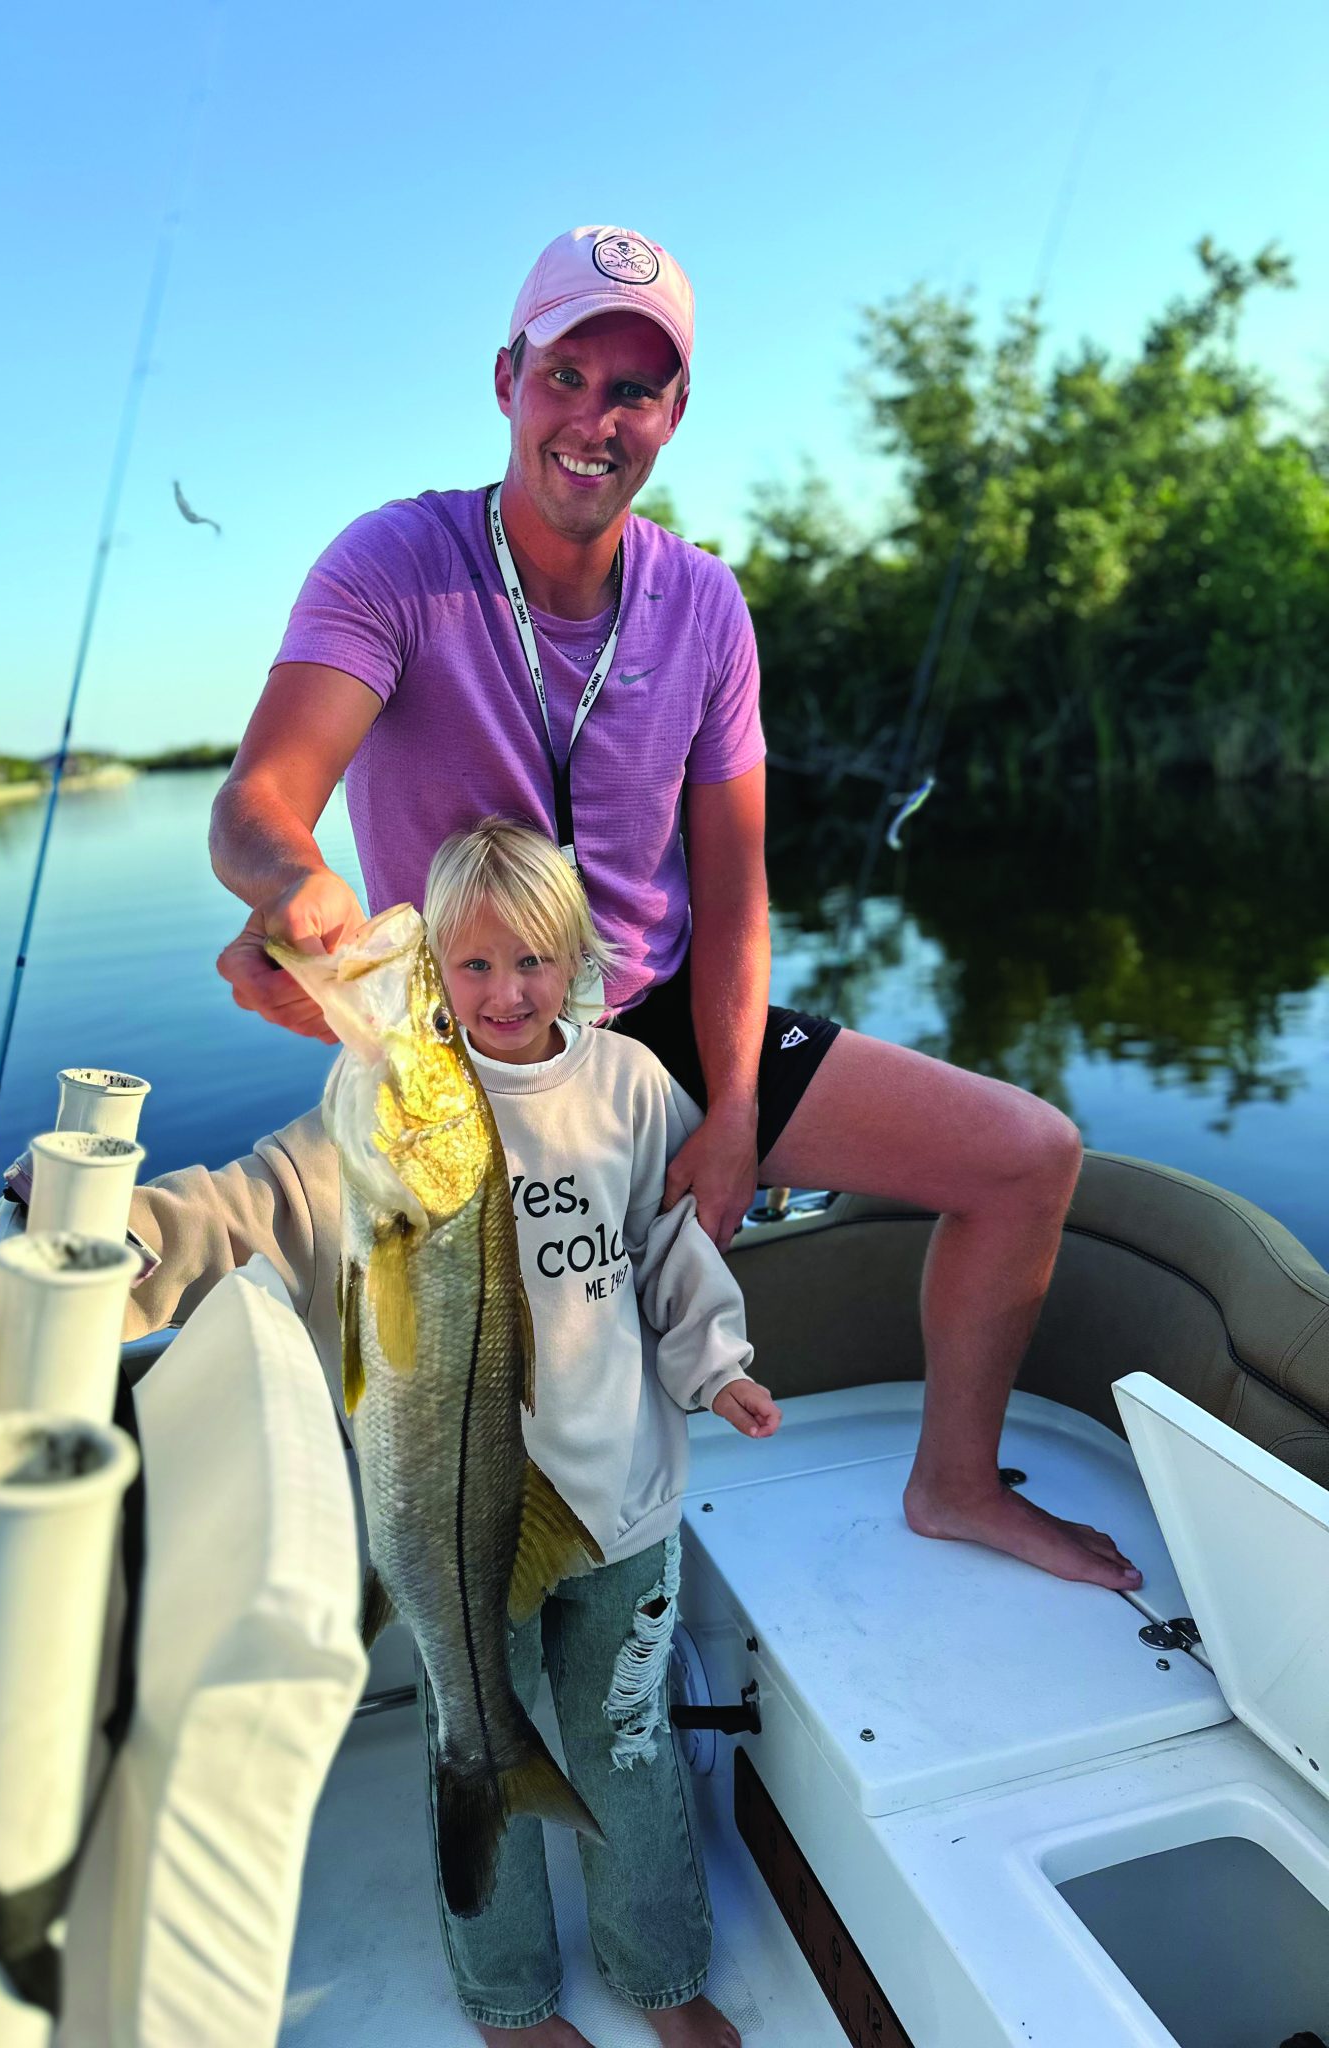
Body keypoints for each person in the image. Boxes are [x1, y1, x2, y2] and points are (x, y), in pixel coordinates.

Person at [209, 222, 1141, 1595]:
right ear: (507, 378)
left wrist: (738, 1125)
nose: (595, 418)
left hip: (663, 1016)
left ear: (675, 413)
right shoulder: (394, 565)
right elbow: (256, 803)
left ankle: (954, 1484)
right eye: (567, 374)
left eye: (633, 389)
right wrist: (300, 894)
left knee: (1027, 1157)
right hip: (480, 1048)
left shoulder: (703, 604)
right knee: (457, 1363)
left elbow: (739, 893)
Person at [127, 820, 781, 2048]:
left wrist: (718, 1367)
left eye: (530, 963)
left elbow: (670, 1247)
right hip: (446, 1526)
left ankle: (664, 1973)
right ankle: (509, 1999)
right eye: (467, 972)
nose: (501, 994)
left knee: (628, 1749)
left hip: (625, 1506)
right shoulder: (381, 1114)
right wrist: (115, 1232)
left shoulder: (630, 1085)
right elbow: (251, 1205)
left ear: (577, 961)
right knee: (467, 1745)